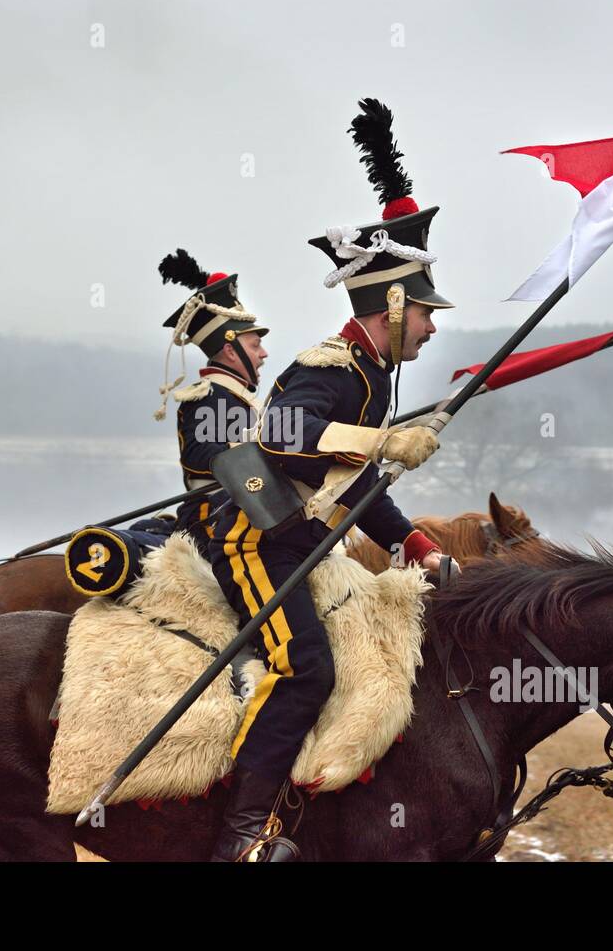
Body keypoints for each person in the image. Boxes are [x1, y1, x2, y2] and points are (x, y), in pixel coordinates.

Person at [206, 99, 453, 860]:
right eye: (425, 313)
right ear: (391, 303)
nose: (434, 326)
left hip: (307, 538)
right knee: (307, 666)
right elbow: (276, 437)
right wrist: (382, 439)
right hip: (254, 537)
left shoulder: (374, 374)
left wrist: (413, 540)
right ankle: (243, 833)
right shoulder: (328, 368)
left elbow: (352, 483)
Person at [150, 249, 270, 557]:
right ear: (231, 352)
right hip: (213, 527)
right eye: (255, 345)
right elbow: (201, 455)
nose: (263, 353)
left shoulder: (238, 398)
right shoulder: (209, 396)